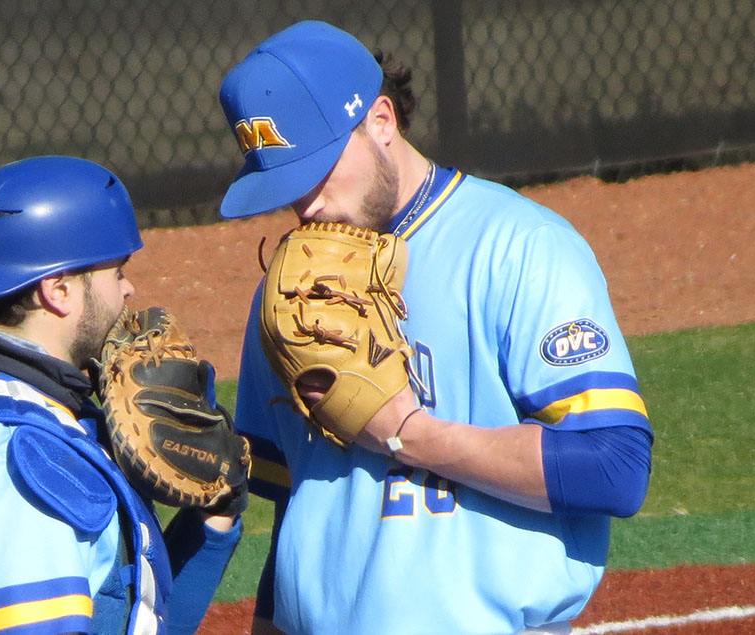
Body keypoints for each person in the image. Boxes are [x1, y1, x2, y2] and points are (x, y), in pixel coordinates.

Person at [217, 21, 653, 635]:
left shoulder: (519, 247)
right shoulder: (291, 292)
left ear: (382, 120)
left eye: (315, 171)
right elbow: (301, 503)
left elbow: (613, 466)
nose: (305, 205)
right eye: (285, 186)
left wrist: (404, 432)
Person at [0, 156, 245, 635]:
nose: (129, 289)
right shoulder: (16, 466)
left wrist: (213, 516)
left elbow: (131, 619)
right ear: (58, 290)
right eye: (116, 272)